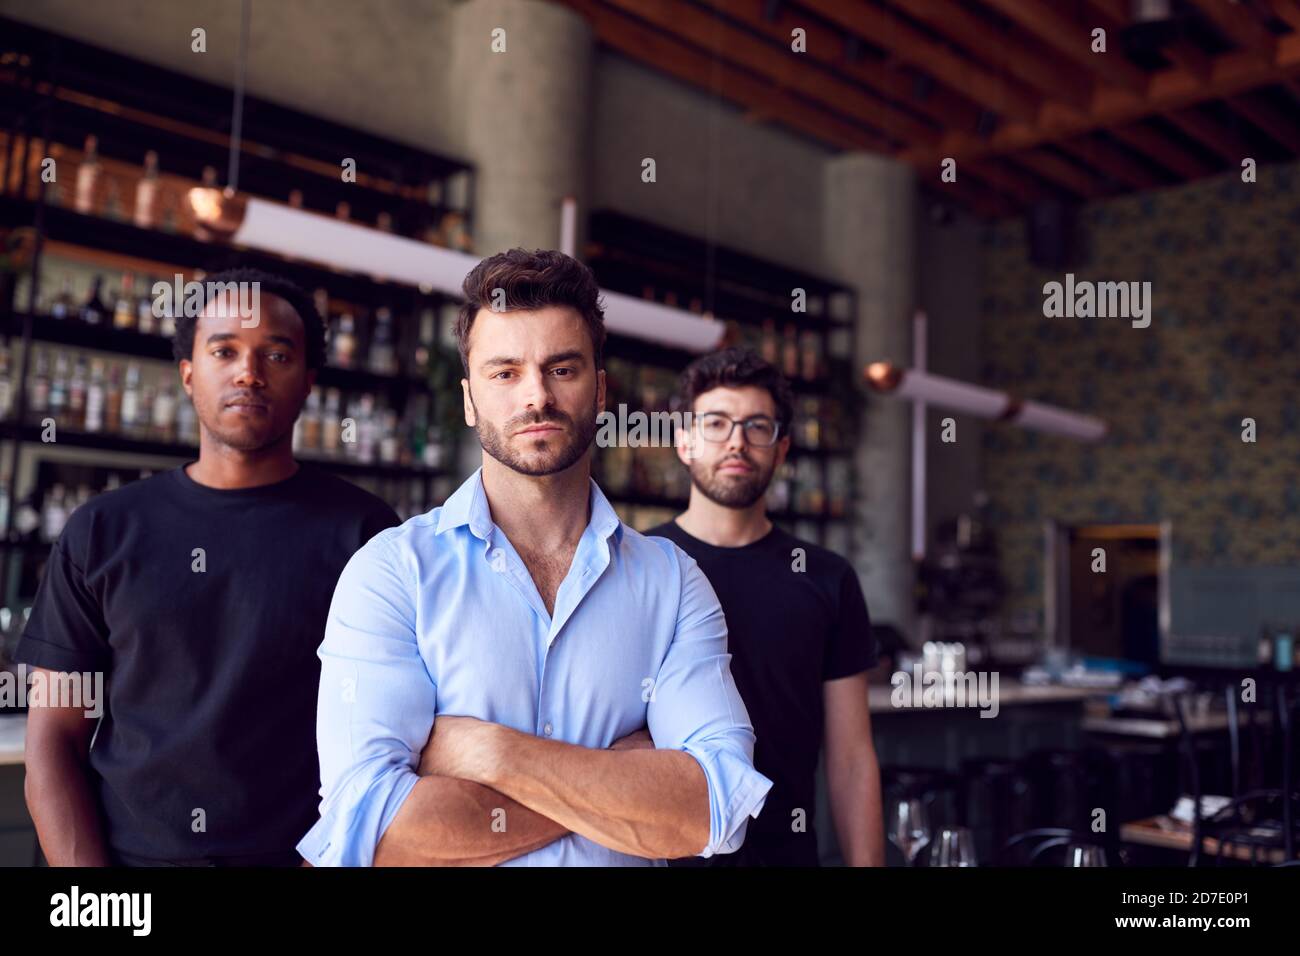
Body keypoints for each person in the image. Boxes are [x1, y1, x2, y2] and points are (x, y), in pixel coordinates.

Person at [297, 249, 771, 866]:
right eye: (504, 372)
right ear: (469, 400)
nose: (536, 396)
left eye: (562, 369)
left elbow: (710, 808)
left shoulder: (673, 581)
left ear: (600, 389)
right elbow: (374, 829)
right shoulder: (392, 573)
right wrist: (615, 786)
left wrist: (494, 755)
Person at [16, 268, 399, 866]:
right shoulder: (102, 531)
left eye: (276, 353)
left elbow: (388, 744)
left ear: (308, 383)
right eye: (225, 350)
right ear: (189, 374)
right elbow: (52, 738)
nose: (249, 372)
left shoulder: (366, 534)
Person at [648, 347, 884, 866]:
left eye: (757, 426)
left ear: (781, 449)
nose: (737, 441)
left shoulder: (827, 578)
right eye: (716, 423)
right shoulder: (636, 567)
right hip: (659, 858)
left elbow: (851, 757)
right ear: (684, 441)